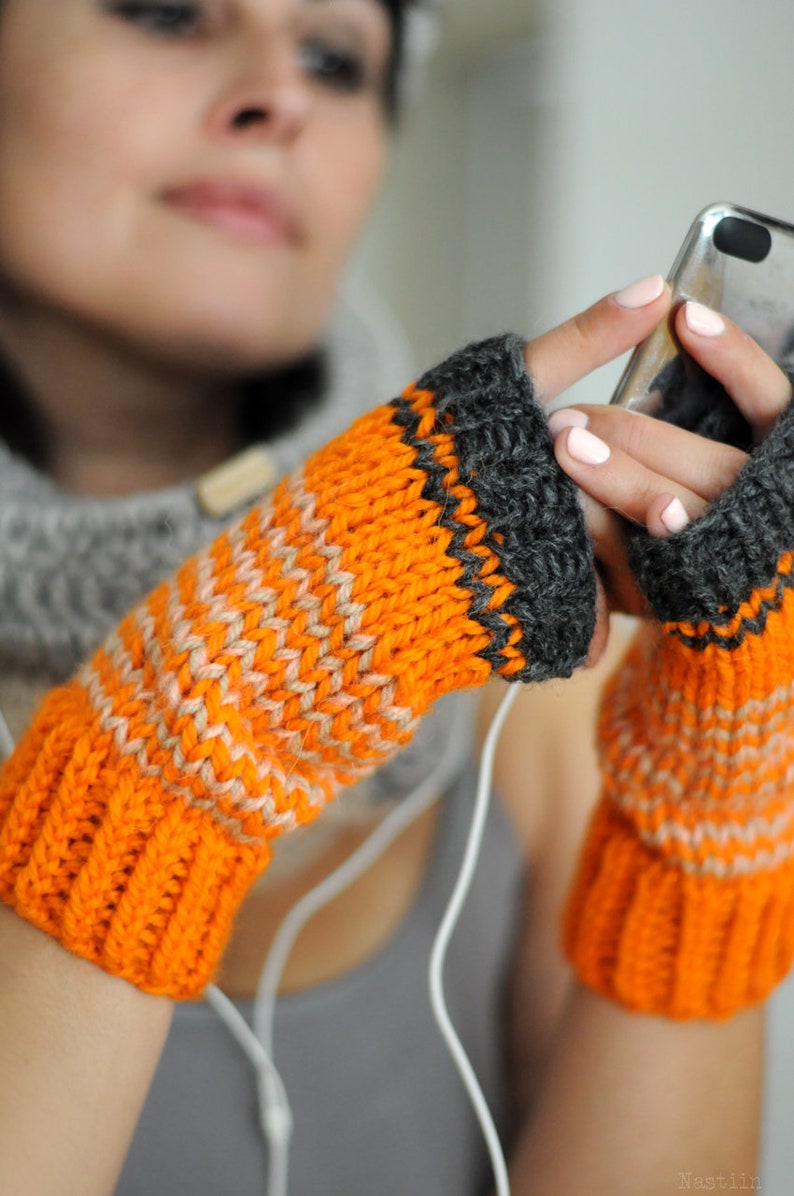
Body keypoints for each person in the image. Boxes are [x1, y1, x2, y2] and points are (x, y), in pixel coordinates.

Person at [0, 2, 791, 1194]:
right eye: (164, 12)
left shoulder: (538, 709)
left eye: (334, 59)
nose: (282, 94)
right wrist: (173, 750)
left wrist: (711, 836)